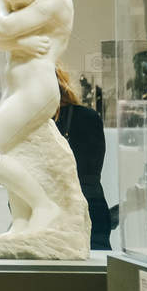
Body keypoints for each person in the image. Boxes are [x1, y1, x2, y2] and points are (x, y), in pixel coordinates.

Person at [55, 67, 114, 250]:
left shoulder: (37, 122)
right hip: (92, 205)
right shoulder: (90, 117)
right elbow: (94, 170)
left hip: (62, 211)